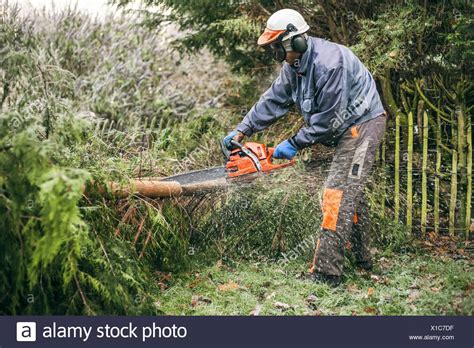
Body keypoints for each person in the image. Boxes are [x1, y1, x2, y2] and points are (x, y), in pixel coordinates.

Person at [222, 9, 387, 286]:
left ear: (295, 41)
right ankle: (364, 258)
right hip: (338, 129)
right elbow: (273, 100)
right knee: (350, 193)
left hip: (362, 125)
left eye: (277, 47)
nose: (276, 53)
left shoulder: (330, 64)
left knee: (336, 193)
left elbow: (329, 121)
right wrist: (243, 129)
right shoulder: (294, 66)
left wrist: (294, 143)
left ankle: (327, 272)